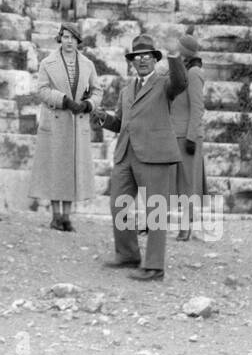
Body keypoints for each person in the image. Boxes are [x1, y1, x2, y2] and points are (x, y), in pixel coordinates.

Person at [95, 34, 188, 280]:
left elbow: (181, 83)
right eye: (138, 57)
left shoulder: (165, 83)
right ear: (132, 61)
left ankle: (155, 266)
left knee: (155, 210)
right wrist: (101, 117)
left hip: (155, 154)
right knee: (119, 204)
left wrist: (175, 57)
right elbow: (120, 123)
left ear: (155, 60)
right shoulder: (127, 90)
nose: (142, 60)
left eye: (147, 56)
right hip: (126, 154)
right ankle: (128, 254)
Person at [29, 23, 101, 232]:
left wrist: (89, 104)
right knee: (54, 167)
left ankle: (67, 216)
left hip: (77, 122)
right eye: (65, 37)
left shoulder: (87, 64)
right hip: (55, 118)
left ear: (79, 41)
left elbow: (97, 90)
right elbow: (42, 90)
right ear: (60, 38)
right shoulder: (47, 63)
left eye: (73, 38)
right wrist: (64, 100)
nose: (69, 41)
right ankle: (55, 215)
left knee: (71, 168)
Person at [170, 33, 206, 241]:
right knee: (182, 183)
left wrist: (192, 136)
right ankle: (184, 226)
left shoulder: (194, 73)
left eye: (179, 45)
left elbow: (197, 107)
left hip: (188, 136)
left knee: (189, 183)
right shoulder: (184, 70)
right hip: (179, 134)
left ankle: (187, 227)